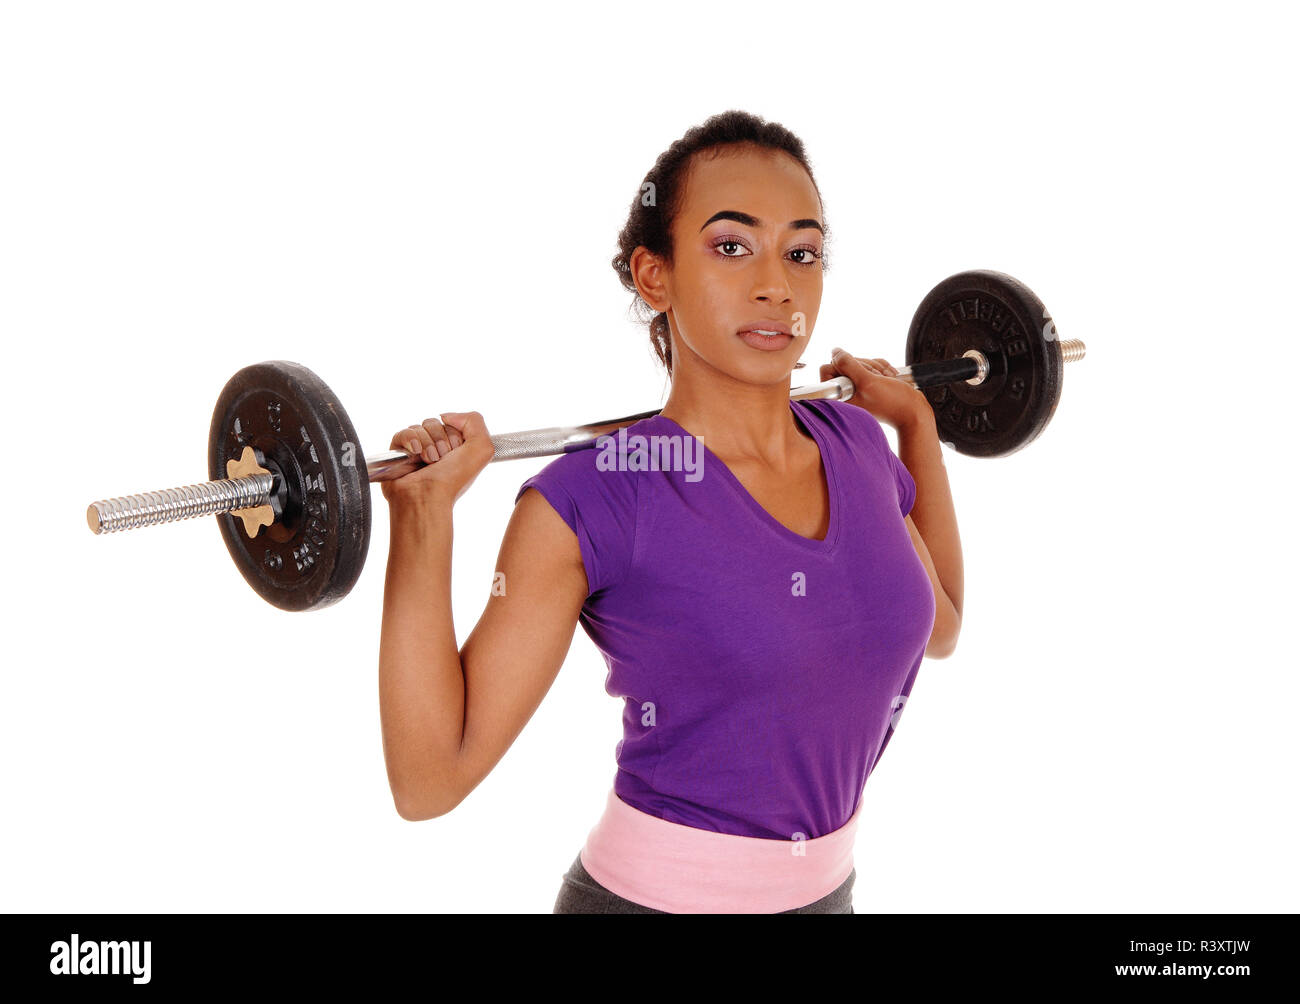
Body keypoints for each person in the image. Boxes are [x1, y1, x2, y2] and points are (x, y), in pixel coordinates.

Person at [375, 110, 963, 914]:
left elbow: (940, 628)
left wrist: (919, 429)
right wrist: (423, 521)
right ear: (655, 276)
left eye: (802, 252)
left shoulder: (861, 446)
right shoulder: (595, 494)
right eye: (731, 246)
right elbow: (429, 778)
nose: (775, 284)